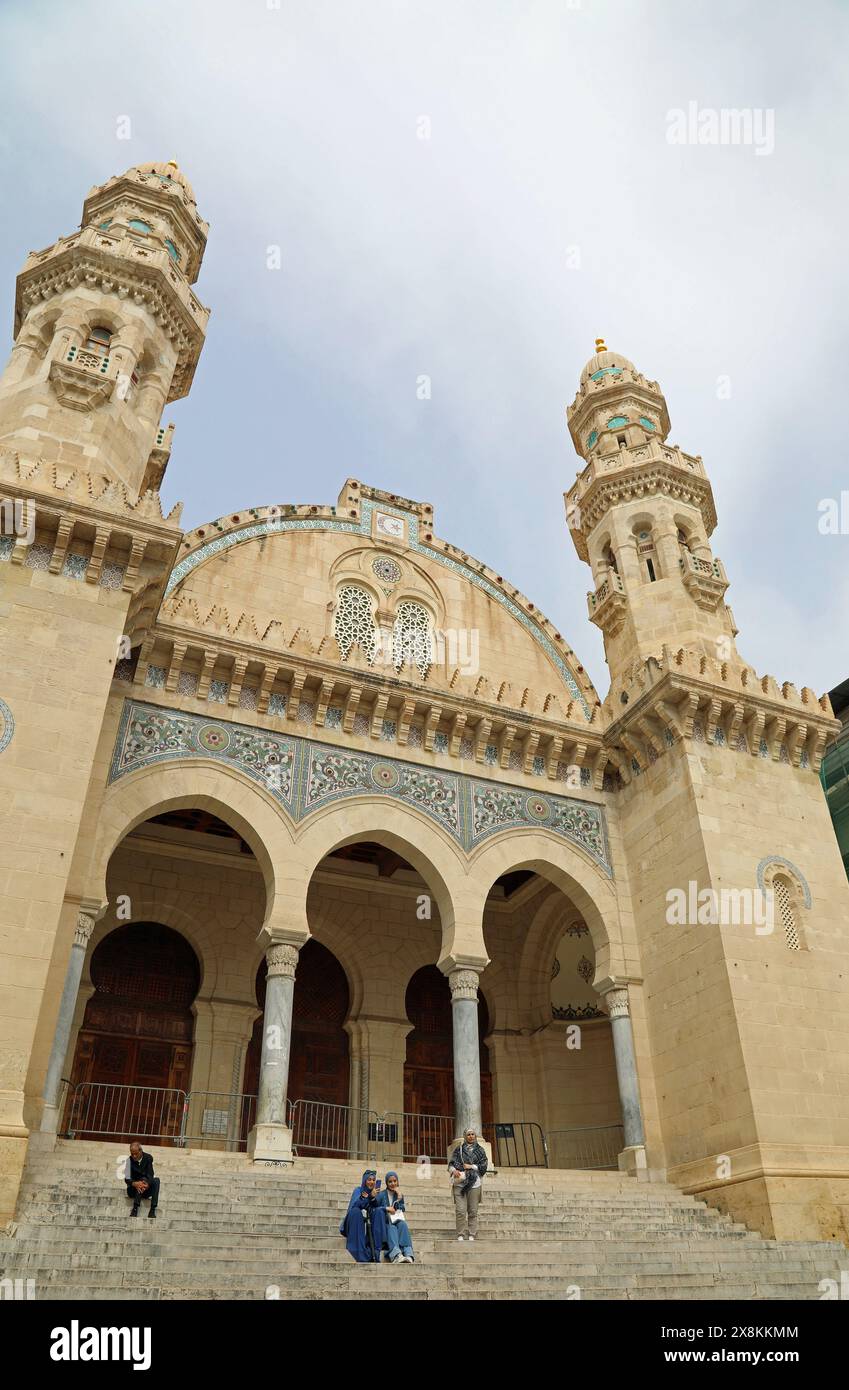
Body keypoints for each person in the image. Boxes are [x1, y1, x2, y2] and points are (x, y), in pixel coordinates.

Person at [448, 1127, 488, 1241]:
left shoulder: (480, 1150)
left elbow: (484, 1166)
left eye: (472, 1134)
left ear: (475, 1136)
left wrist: (471, 1166)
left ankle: (472, 1233)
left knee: (473, 1210)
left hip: (474, 1183)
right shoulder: (458, 1149)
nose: (471, 1136)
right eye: (469, 1134)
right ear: (465, 1136)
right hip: (460, 1183)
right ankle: (460, 1233)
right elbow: (451, 1164)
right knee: (460, 1210)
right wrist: (453, 1170)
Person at [339, 1169, 387, 1262]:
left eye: (373, 1180)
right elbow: (354, 1206)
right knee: (356, 1212)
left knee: (379, 1212)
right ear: (364, 1180)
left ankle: (376, 1249)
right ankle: (359, 1249)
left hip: (369, 1224)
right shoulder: (358, 1190)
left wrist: (373, 1198)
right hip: (356, 1222)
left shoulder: (377, 1194)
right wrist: (368, 1197)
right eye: (369, 1179)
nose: (372, 1182)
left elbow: (378, 1208)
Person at [376, 1171, 414, 1263]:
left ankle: (408, 1253)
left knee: (403, 1225)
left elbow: (402, 1208)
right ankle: (396, 1255)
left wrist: (399, 1198)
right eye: (390, 1181)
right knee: (392, 1228)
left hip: (396, 1220)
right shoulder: (381, 1195)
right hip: (385, 1223)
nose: (393, 1183)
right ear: (387, 1183)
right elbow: (375, 1208)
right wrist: (386, 1208)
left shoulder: (399, 1194)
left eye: (394, 1181)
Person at [124, 1141, 160, 1219]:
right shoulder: (129, 1160)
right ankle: (135, 1208)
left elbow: (150, 1174)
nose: (134, 1156)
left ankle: (152, 1209)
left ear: (140, 1151)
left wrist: (147, 1184)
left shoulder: (148, 1158)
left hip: (145, 1188)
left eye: (136, 1153)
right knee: (141, 1180)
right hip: (133, 1190)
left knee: (156, 1180)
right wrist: (134, 1183)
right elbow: (127, 1178)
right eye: (132, 1153)